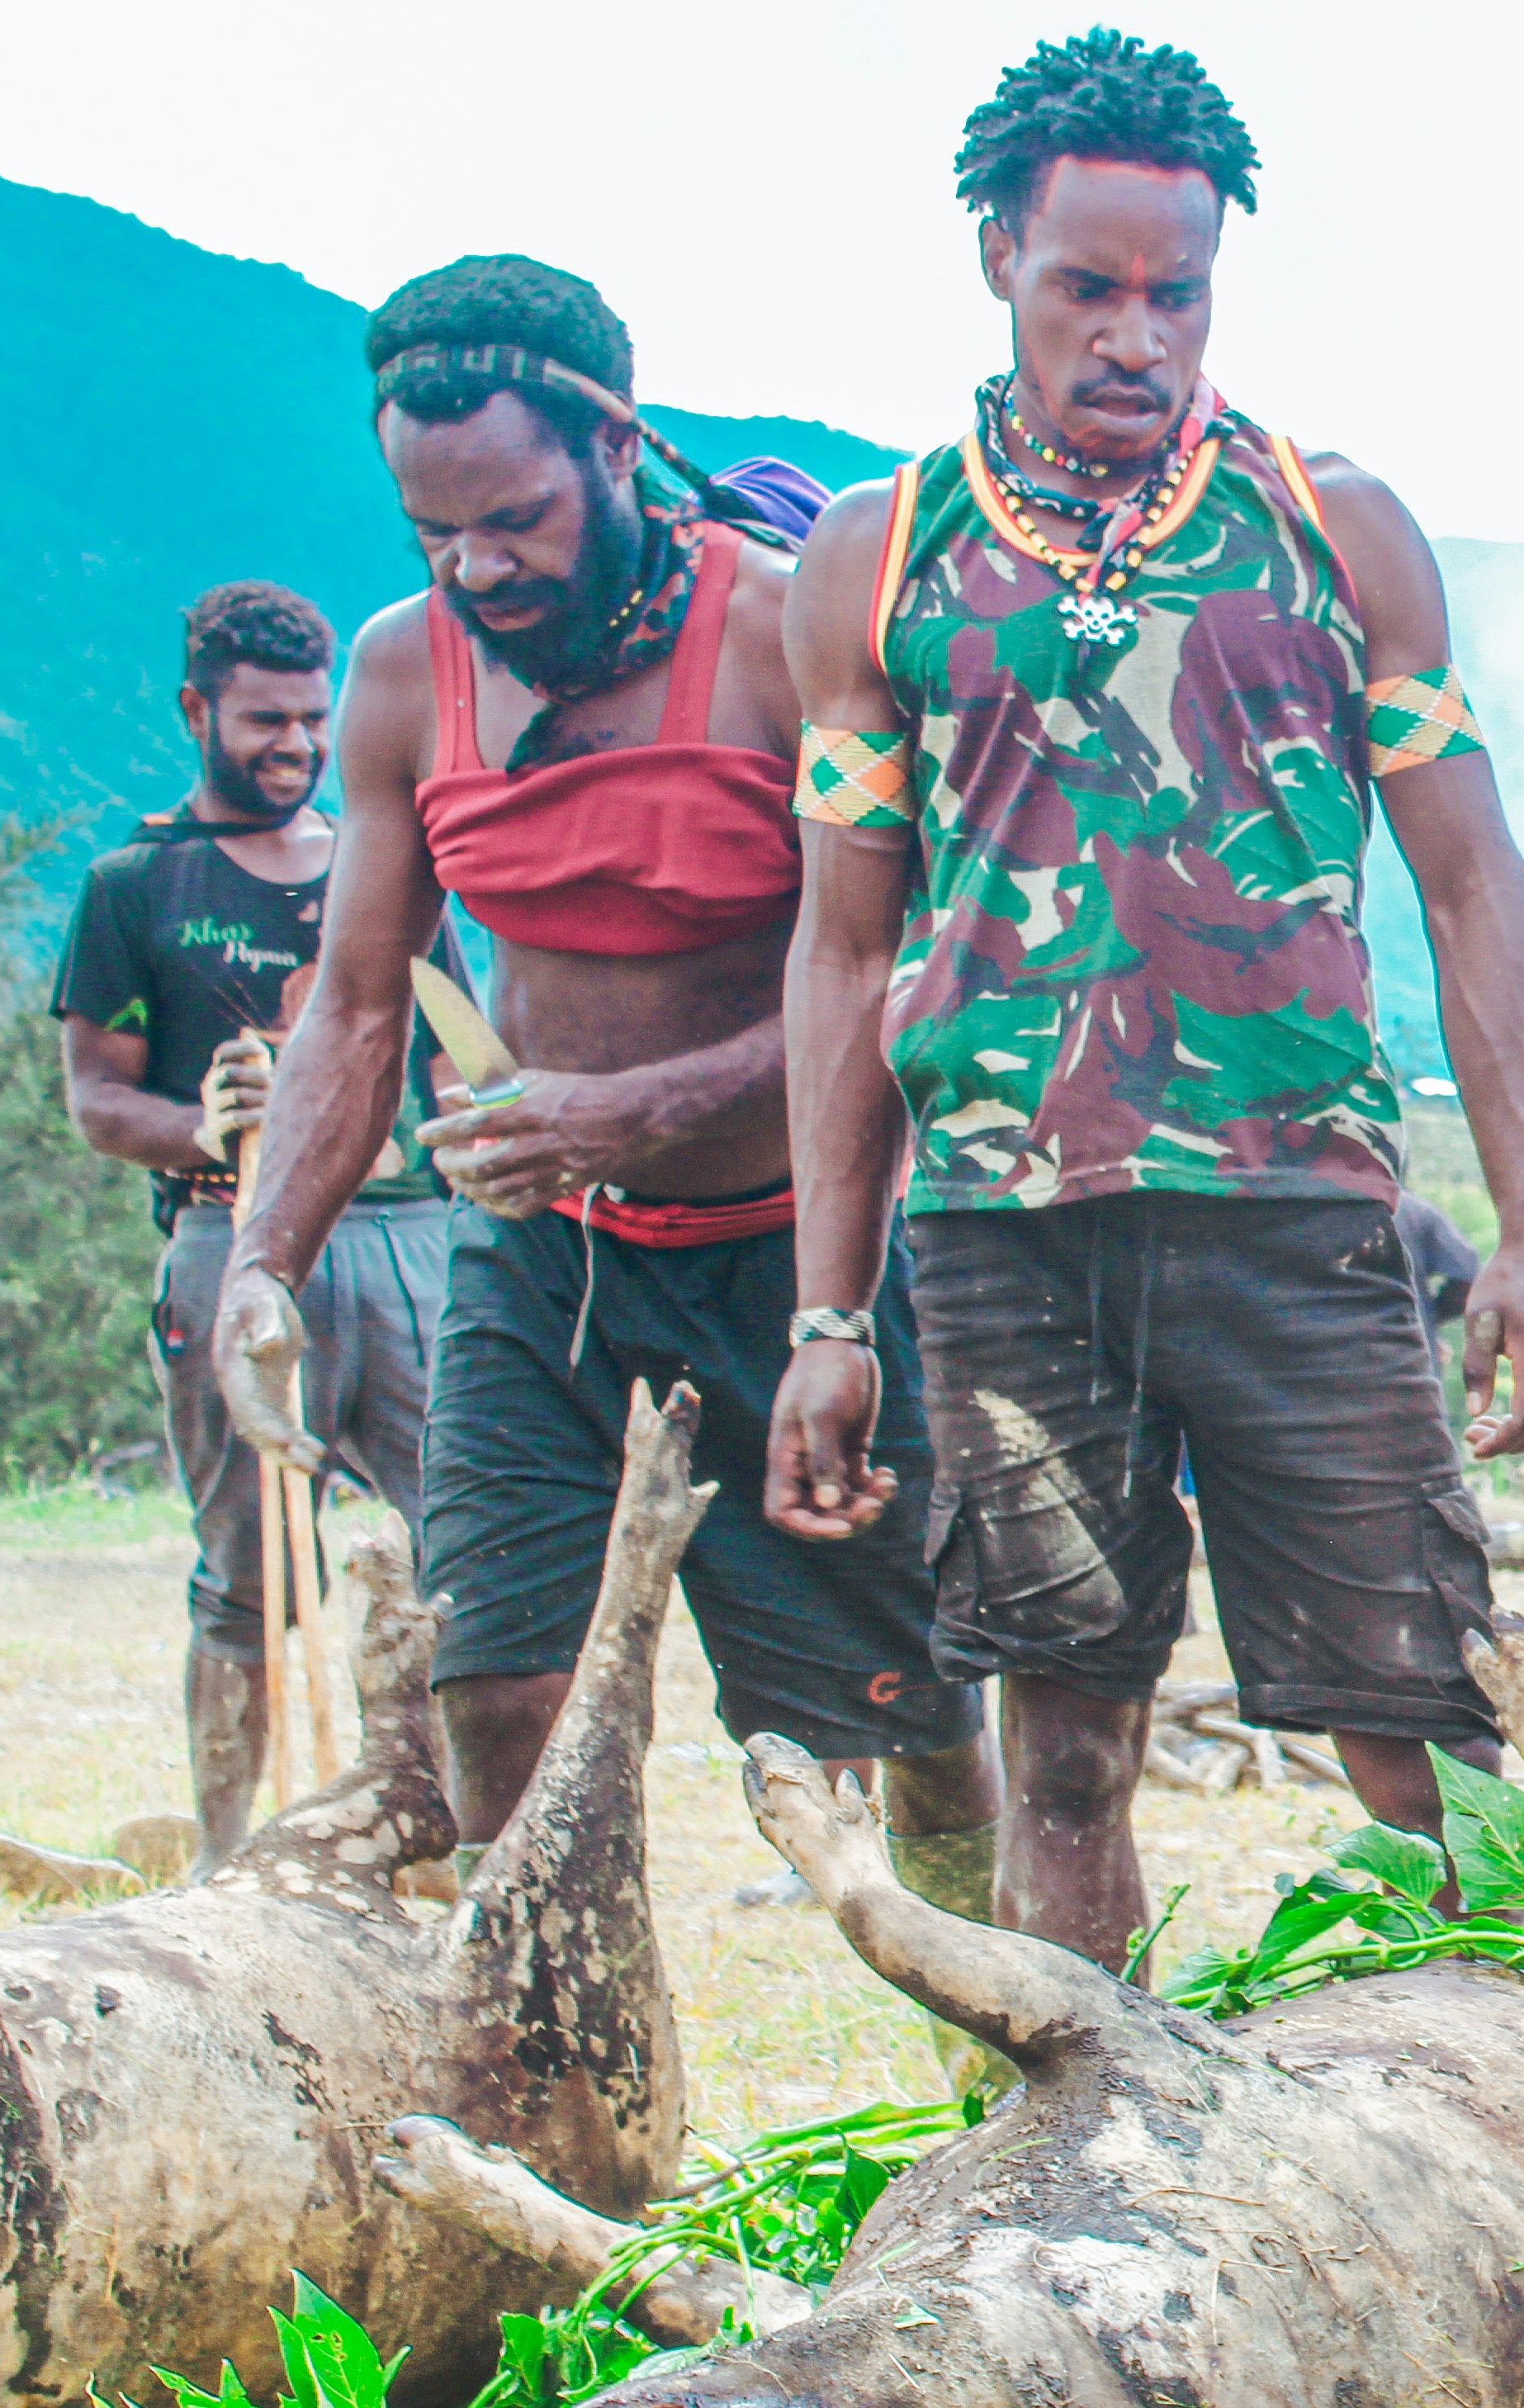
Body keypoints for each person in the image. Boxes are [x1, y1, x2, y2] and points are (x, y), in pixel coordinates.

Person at [771, 31, 1524, 1972]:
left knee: (1430, 1737)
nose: (1135, 339)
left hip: (1300, 1218)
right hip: (1005, 1239)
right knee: (1062, 1753)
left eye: (1179, 294)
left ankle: (1496, 2095)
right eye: (1089, 288)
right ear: (999, 255)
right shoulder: (875, 562)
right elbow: (843, 950)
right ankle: (1091, 2115)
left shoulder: (1334, 528)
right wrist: (827, 1315)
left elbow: (1474, 885)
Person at [218, 257, 998, 1911]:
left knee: (906, 1704)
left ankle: (993, 2014)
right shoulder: (403, 676)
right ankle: (551, 2031)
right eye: (433, 532)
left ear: (620, 447)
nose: (475, 567)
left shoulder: (786, 636)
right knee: (497, 1688)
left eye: (513, 520)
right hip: (542, 1270)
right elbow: (356, 1004)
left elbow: (912, 965)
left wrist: (638, 1109)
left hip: (806, 1255)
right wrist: (264, 1263)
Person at [53, 582, 456, 1870]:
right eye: (265, 721)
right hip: (229, 1238)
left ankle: (450, 1843)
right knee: (244, 1571)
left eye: (313, 720)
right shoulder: (135, 884)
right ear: (197, 710)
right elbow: (95, 1098)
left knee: (461, 1541)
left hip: (412, 1238)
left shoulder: (383, 863)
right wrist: (198, 1121)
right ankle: (227, 1864)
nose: (296, 745)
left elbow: (455, 1054)